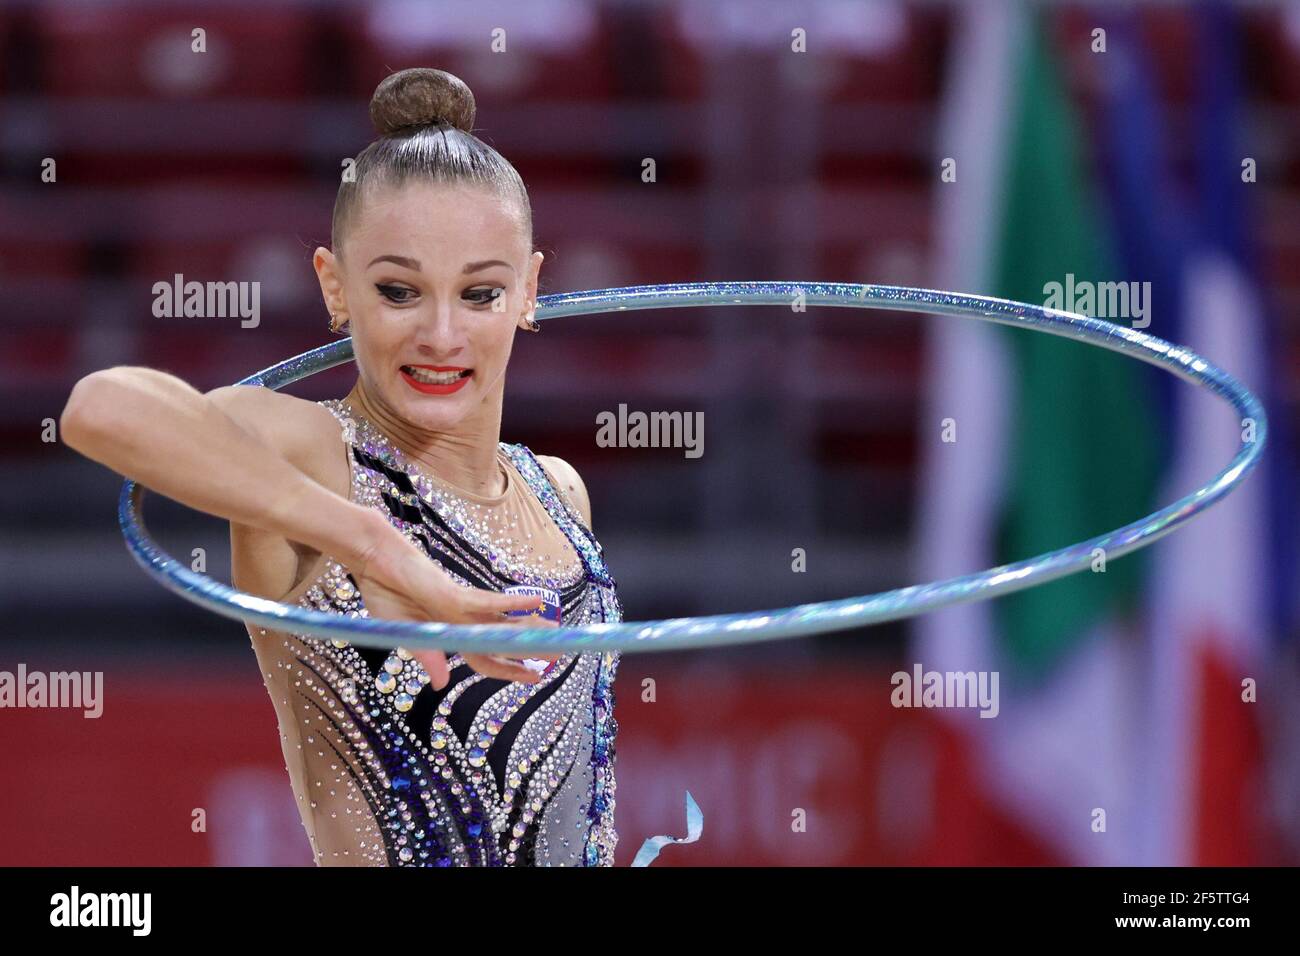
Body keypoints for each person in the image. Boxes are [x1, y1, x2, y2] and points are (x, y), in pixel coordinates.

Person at [60, 67, 622, 867]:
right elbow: (101, 408)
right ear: (335, 287)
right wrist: (372, 544)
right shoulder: (319, 458)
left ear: (530, 290)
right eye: (397, 290)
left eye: (481, 294)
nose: (439, 333)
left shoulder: (558, 488)